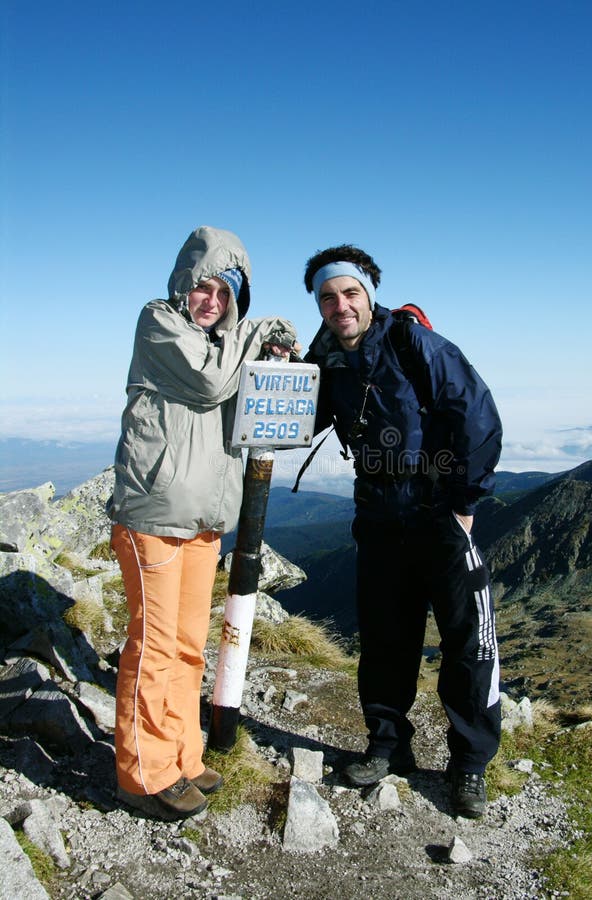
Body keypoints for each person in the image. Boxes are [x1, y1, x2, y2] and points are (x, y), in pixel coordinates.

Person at [303, 245, 502, 818]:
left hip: (439, 514)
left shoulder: (416, 344)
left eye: (350, 292)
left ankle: (469, 764)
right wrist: (277, 373)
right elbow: (300, 419)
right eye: (328, 297)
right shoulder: (327, 360)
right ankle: (389, 748)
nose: (340, 304)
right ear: (319, 305)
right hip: (378, 517)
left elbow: (479, 418)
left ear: (369, 293)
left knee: (467, 642)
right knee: (386, 639)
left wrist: (465, 504)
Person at [108, 225, 296, 820]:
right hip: (155, 516)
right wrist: (255, 331)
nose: (212, 300)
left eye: (226, 293)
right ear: (184, 284)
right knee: (155, 647)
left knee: (189, 646)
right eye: (204, 287)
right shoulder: (158, 323)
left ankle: (183, 755)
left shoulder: (226, 346)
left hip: (204, 520)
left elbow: (238, 405)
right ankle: (142, 774)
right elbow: (211, 382)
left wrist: (273, 363)